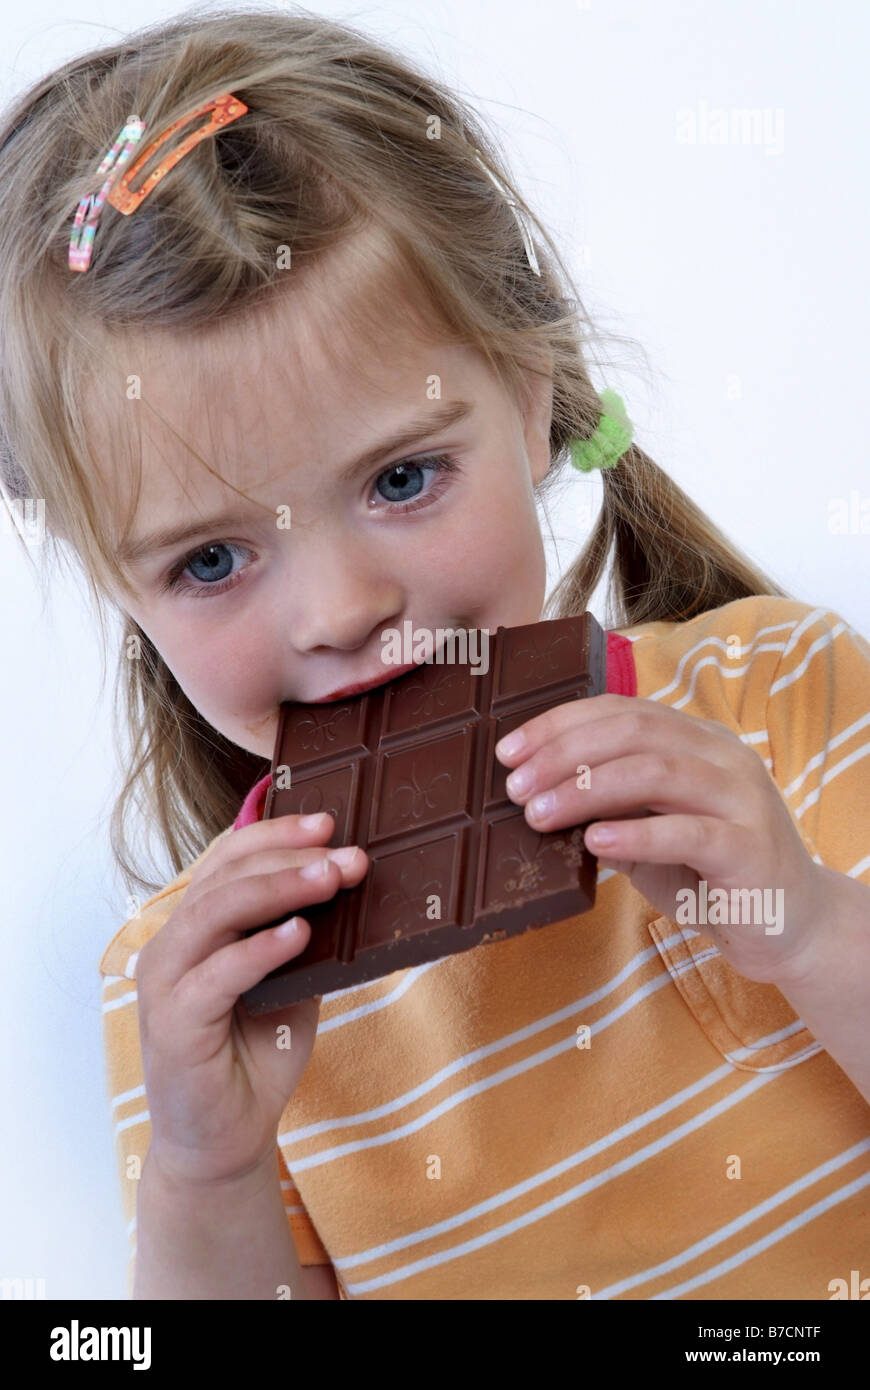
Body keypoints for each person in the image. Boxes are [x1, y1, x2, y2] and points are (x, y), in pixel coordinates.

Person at [1, 8, 867, 1302]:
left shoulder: (787, 693)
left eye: (401, 476)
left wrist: (801, 925)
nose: (341, 607)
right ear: (121, 592)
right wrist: (203, 1172)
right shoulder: (193, 990)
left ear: (529, 396)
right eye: (211, 561)